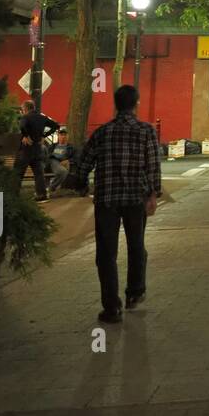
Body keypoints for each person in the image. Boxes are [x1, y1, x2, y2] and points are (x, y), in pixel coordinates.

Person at [78, 85, 161, 324]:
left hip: (107, 200)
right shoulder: (146, 131)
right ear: (136, 103)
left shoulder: (103, 132)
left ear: (116, 105)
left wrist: (81, 182)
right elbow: (153, 164)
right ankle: (135, 291)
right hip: (136, 197)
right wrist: (153, 194)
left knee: (106, 253)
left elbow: (85, 161)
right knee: (136, 246)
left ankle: (111, 307)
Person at [13, 100, 60, 202]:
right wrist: (44, 136)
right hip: (37, 149)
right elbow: (56, 126)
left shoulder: (26, 117)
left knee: (17, 173)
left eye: (22, 109)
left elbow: (22, 126)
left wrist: (25, 136)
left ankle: (14, 195)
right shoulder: (42, 117)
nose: (22, 111)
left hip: (25, 149)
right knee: (39, 174)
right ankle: (41, 195)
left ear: (25, 108)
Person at [45, 128, 79, 195]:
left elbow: (76, 158)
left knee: (63, 172)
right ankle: (51, 188)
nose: (63, 137)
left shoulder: (71, 147)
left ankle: (50, 188)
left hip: (63, 164)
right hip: (52, 162)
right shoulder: (52, 146)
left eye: (65, 135)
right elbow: (47, 156)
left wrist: (68, 160)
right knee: (63, 171)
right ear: (58, 136)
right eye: (61, 135)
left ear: (68, 136)